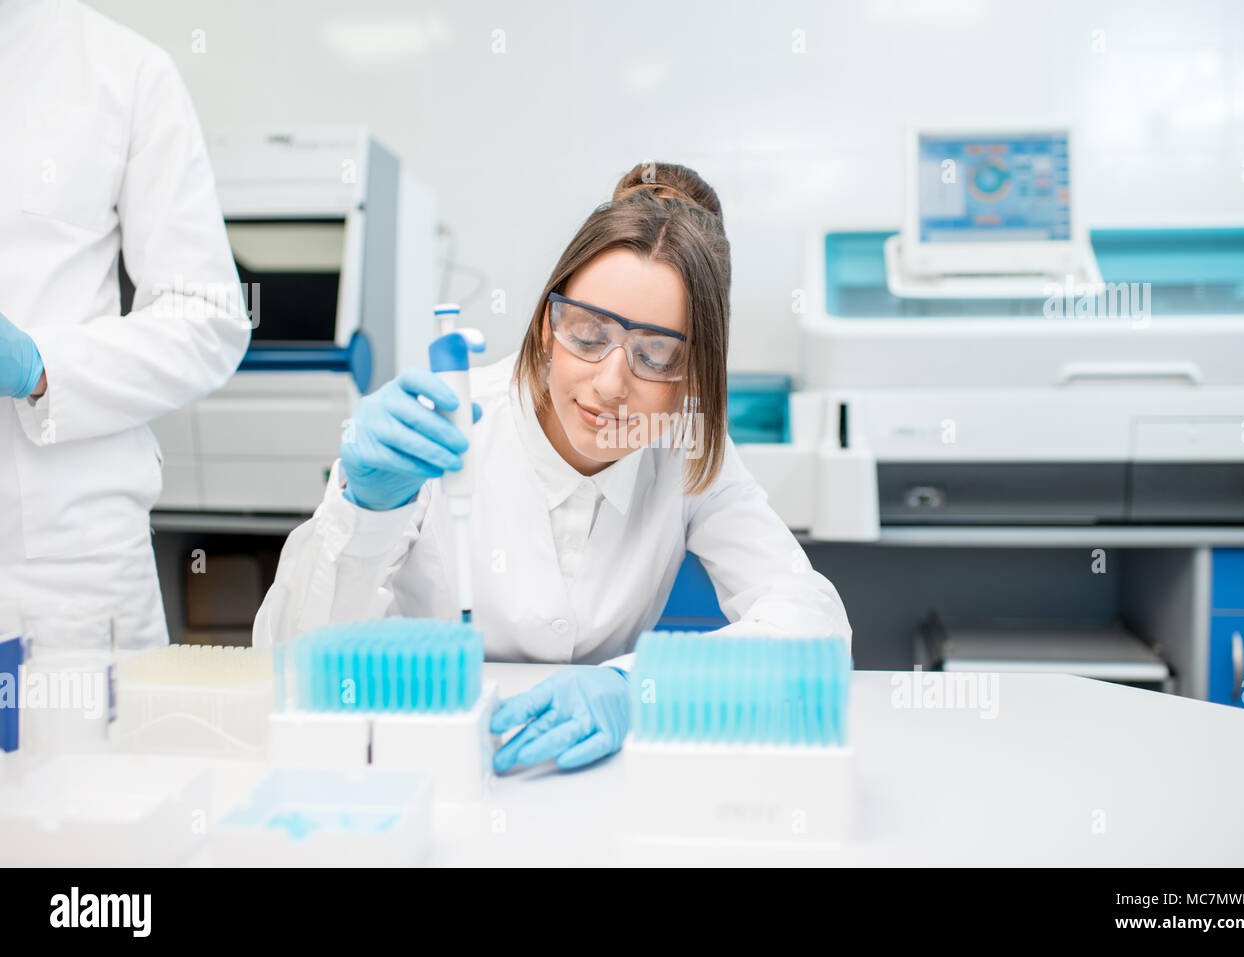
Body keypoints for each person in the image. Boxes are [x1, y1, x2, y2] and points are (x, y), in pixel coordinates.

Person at [252, 162, 851, 771]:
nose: (611, 384)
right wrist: (364, 512)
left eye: (656, 354)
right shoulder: (443, 422)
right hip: (413, 766)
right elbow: (287, 663)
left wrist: (636, 686)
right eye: (588, 335)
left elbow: (815, 628)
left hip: (581, 781)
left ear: (695, 374)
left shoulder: (687, 447)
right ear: (547, 323)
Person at [0, 0, 251, 650]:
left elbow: (209, 317)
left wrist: (42, 365)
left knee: (88, 751)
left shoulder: (121, 72)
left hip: (64, 565)